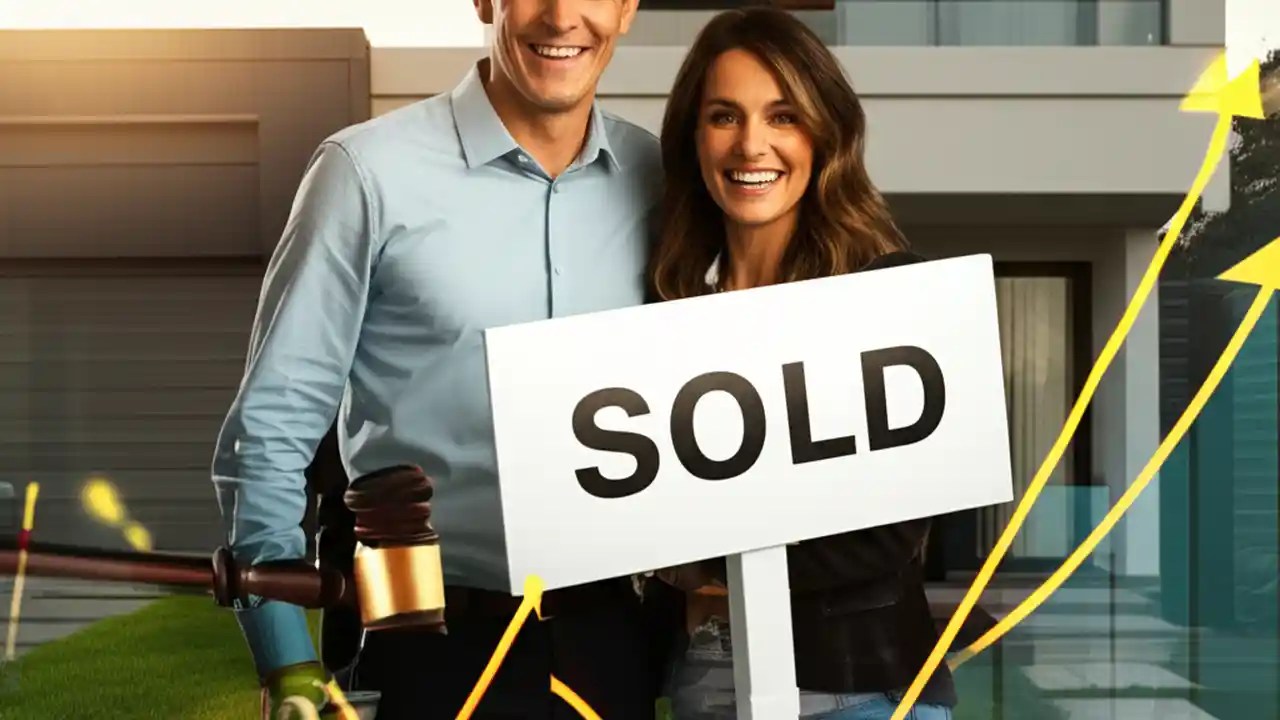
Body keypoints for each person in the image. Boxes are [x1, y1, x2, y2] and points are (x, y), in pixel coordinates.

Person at [209, 1, 664, 718]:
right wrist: (286, 658)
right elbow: (268, 431)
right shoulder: (364, 173)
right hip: (422, 644)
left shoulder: (661, 179)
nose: (561, 16)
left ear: (628, 8)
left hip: (609, 647)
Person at [644, 8, 957, 720]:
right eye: (724, 116)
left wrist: (704, 564)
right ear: (694, 137)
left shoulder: (887, 291)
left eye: (782, 116)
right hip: (704, 681)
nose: (751, 144)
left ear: (824, 132)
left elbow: (889, 533)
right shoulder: (667, 302)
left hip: (856, 688)